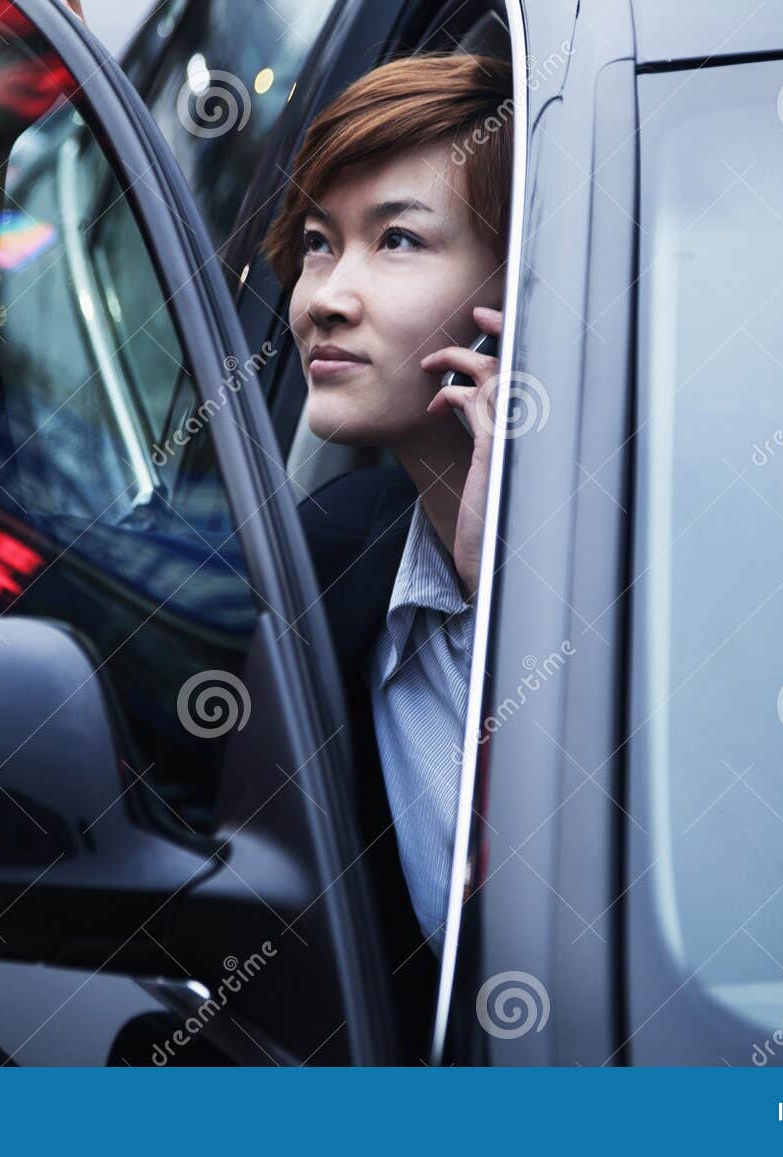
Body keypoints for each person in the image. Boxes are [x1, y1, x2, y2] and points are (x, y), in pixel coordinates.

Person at [261, 53, 514, 967]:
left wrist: (509, 602)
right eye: (319, 242)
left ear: (524, 284)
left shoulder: (701, 555)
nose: (326, 298)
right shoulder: (332, 556)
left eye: (398, 239)